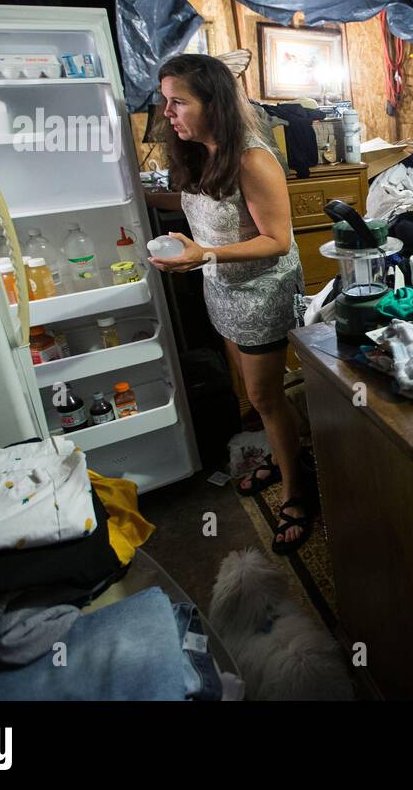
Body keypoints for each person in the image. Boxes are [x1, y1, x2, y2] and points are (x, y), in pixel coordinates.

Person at [143, 53, 314, 555]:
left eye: (179, 103)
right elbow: (196, 200)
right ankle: (286, 454)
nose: (168, 114)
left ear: (213, 104)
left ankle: (297, 491)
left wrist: (205, 253)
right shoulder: (200, 152)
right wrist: (137, 196)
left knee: (264, 396)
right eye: (165, 102)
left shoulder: (252, 158)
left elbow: (278, 239)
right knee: (251, 387)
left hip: (261, 290)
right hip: (220, 285)